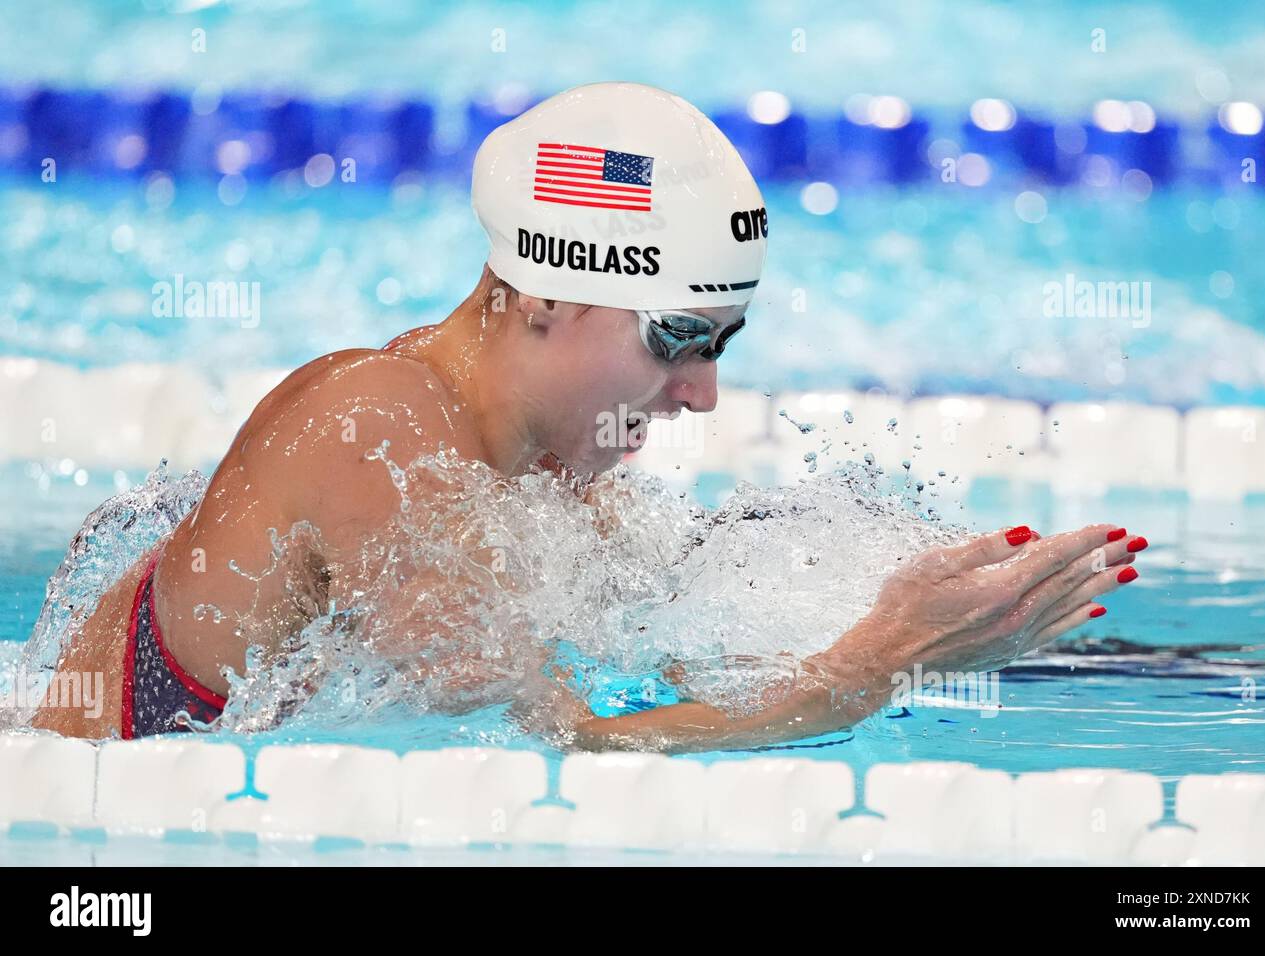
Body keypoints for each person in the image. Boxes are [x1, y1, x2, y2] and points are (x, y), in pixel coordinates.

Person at [29, 81, 1145, 751]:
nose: (702, 394)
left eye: (718, 344)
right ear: (550, 293)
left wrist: (936, 610)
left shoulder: (539, 477)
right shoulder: (373, 427)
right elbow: (571, 745)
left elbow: (662, 662)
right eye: (676, 338)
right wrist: (870, 667)